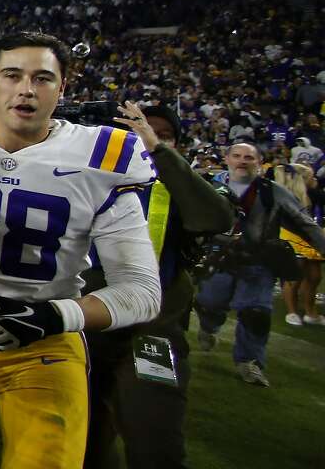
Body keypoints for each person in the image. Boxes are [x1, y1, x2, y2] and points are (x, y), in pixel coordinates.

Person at [0, 32, 162, 469]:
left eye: (43, 78)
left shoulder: (103, 154)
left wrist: (56, 316)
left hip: (45, 345)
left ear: (62, 88)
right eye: (12, 75)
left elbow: (142, 291)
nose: (26, 89)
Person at [82, 102, 234, 469]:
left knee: (154, 440)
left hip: (150, 332)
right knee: (84, 441)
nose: (145, 135)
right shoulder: (90, 178)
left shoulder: (183, 184)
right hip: (88, 325)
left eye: (162, 133)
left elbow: (216, 217)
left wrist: (156, 149)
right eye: (137, 129)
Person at [195, 142, 325, 386]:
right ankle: (209, 326)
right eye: (237, 156)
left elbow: (303, 222)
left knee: (256, 313)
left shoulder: (271, 191)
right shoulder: (208, 184)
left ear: (259, 162)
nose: (242, 161)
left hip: (258, 262)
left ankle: (249, 361)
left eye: (249, 157)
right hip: (218, 258)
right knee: (209, 303)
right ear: (227, 158)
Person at [275, 161, 323, 326]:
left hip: (312, 237)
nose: (314, 179)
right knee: (294, 278)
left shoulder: (313, 194)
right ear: (302, 179)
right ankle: (292, 312)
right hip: (293, 237)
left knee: (315, 277)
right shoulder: (286, 197)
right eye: (311, 176)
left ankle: (311, 312)